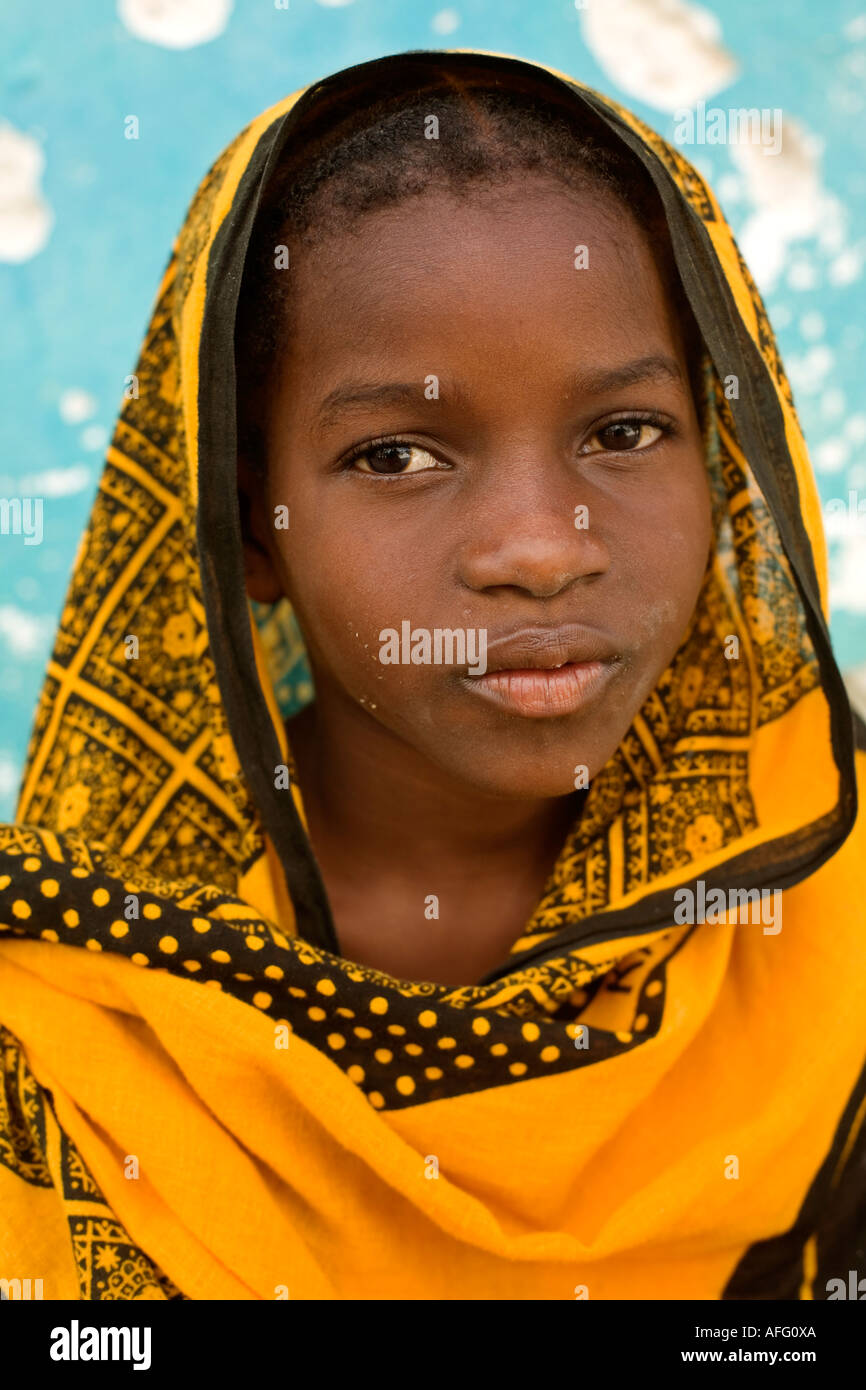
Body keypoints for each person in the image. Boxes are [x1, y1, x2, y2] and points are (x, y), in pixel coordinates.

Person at [0, 48, 863, 1302]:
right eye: (397, 454)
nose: (539, 549)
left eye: (622, 433)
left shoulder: (833, 906)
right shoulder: (68, 1026)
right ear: (247, 528)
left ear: (723, 457)